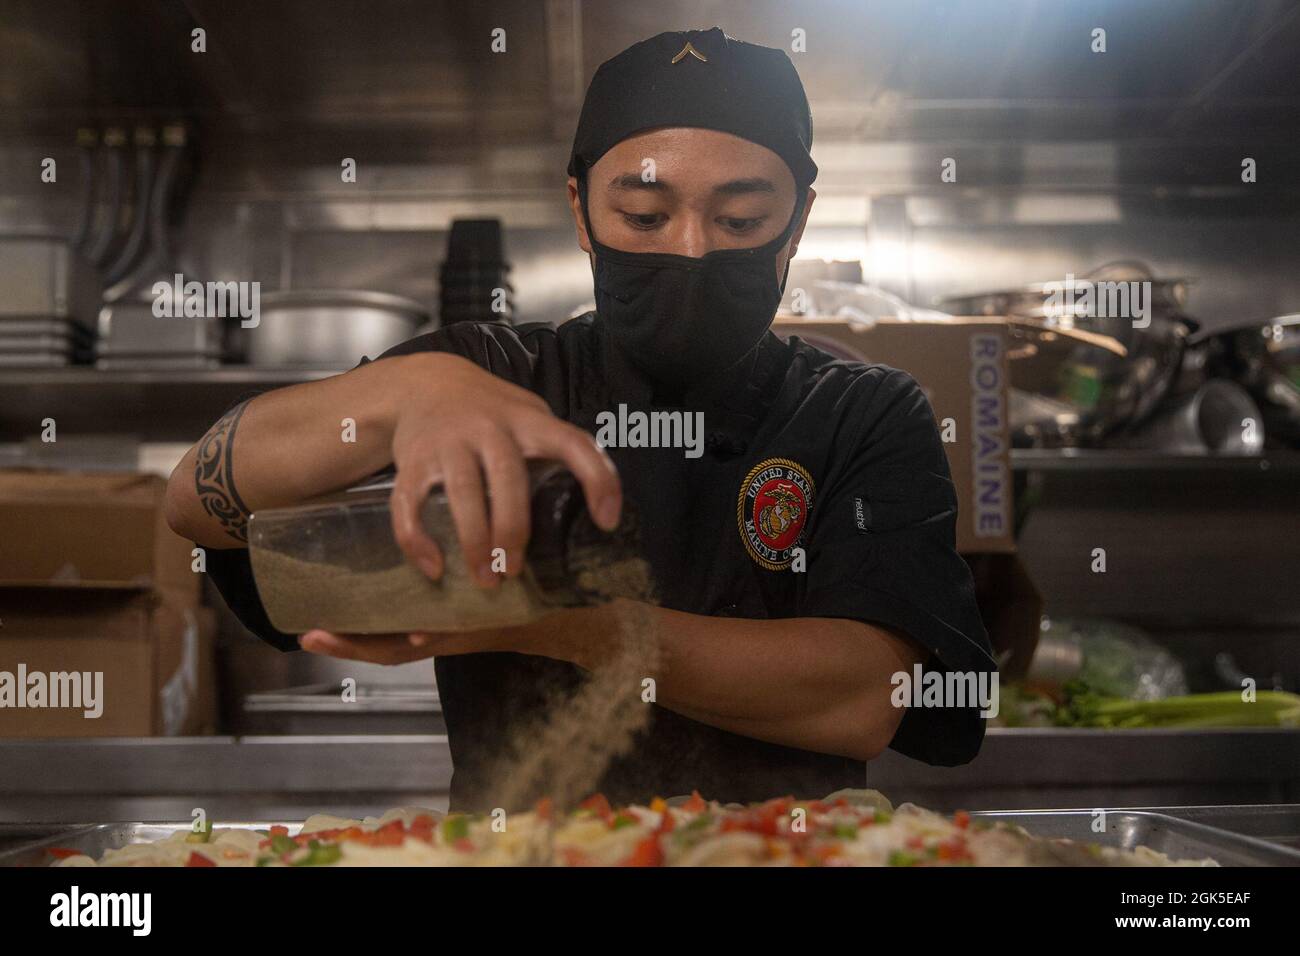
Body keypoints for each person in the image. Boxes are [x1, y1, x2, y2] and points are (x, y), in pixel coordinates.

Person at [165, 27, 996, 810]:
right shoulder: (490, 375)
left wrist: (557, 624)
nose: (693, 250)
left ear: (799, 223)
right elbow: (197, 500)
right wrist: (403, 397)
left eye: (741, 220)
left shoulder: (863, 412)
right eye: (643, 216)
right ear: (580, 211)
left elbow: (862, 698)